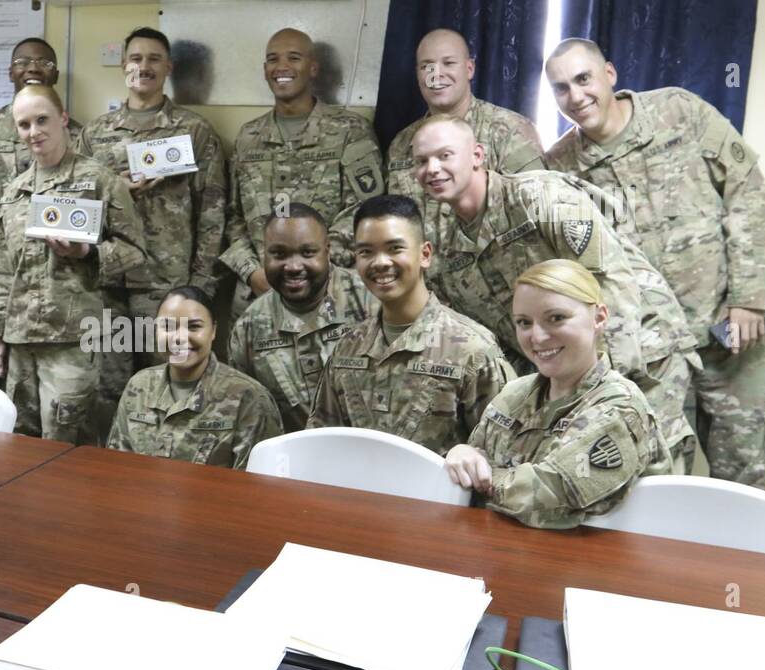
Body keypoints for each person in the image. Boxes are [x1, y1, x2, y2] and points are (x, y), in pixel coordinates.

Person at [544, 38, 765, 492]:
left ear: (609, 74)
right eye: (561, 89)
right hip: (649, 358)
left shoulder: (679, 111)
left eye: (583, 79)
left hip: (727, 335)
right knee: (656, 484)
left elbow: (746, 191)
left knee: (749, 477)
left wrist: (750, 299)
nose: (575, 97)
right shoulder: (560, 167)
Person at [413, 115, 698, 463]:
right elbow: (500, 334)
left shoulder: (538, 197)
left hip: (641, 350)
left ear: (476, 155)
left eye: (445, 155)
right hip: (565, 369)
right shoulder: (445, 245)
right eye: (422, 161)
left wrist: (608, 386)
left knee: (648, 477)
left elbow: (611, 283)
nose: (433, 168)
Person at [78, 26, 227, 440]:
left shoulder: (193, 131)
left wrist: (200, 285)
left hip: (167, 289)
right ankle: (109, 473)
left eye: (154, 59)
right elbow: (80, 209)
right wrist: (116, 192)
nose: (143, 66)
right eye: (136, 58)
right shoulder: (96, 134)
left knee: (169, 386)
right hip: (107, 286)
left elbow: (212, 212)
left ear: (168, 68)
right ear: (124, 65)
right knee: (106, 390)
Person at [446, 259, 670, 528]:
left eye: (556, 318)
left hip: (596, 562)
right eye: (524, 322)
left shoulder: (620, 407)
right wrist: (460, 454)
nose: (537, 337)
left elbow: (546, 500)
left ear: (599, 318)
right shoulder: (515, 394)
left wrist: (479, 478)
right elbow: (473, 458)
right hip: (507, 551)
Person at [0, 85, 147, 444]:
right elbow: (1, 269)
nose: (34, 132)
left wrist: (87, 253)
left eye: (42, 120)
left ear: (63, 119)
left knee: (66, 441)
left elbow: (135, 252)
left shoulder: (98, 180)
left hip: (74, 339)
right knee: (19, 438)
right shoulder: (14, 191)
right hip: (21, 340)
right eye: (24, 125)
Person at [308, 195, 512, 455]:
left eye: (394, 248)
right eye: (366, 252)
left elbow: (503, 455)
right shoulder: (348, 349)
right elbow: (320, 444)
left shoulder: (472, 350)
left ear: (425, 254)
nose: (380, 262)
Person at [220, 27, 384, 320]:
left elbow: (366, 210)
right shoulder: (249, 137)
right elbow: (233, 217)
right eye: (273, 59)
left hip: (330, 294)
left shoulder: (349, 131)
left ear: (313, 67)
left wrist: (309, 267)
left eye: (293, 58)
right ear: (264, 70)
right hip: (258, 297)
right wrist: (253, 272)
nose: (281, 67)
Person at [229, 203, 369, 433]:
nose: (293, 267)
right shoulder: (248, 329)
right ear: (264, 254)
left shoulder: (370, 301)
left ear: (328, 250)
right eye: (279, 254)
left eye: (307, 253)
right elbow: (249, 418)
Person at [109, 287, 282, 469]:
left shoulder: (247, 398)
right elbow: (117, 465)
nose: (179, 338)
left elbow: (258, 483)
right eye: (167, 327)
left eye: (194, 327)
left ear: (213, 330)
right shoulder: (139, 386)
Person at [385, 29, 543, 205]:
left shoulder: (511, 132)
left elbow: (535, 209)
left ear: (469, 69)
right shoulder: (401, 144)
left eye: (449, 63)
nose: (436, 75)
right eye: (426, 66)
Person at [0, 38, 84, 200]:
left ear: (56, 76)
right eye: (22, 62)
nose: (33, 68)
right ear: (11, 73)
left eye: (45, 63)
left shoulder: (78, 137)